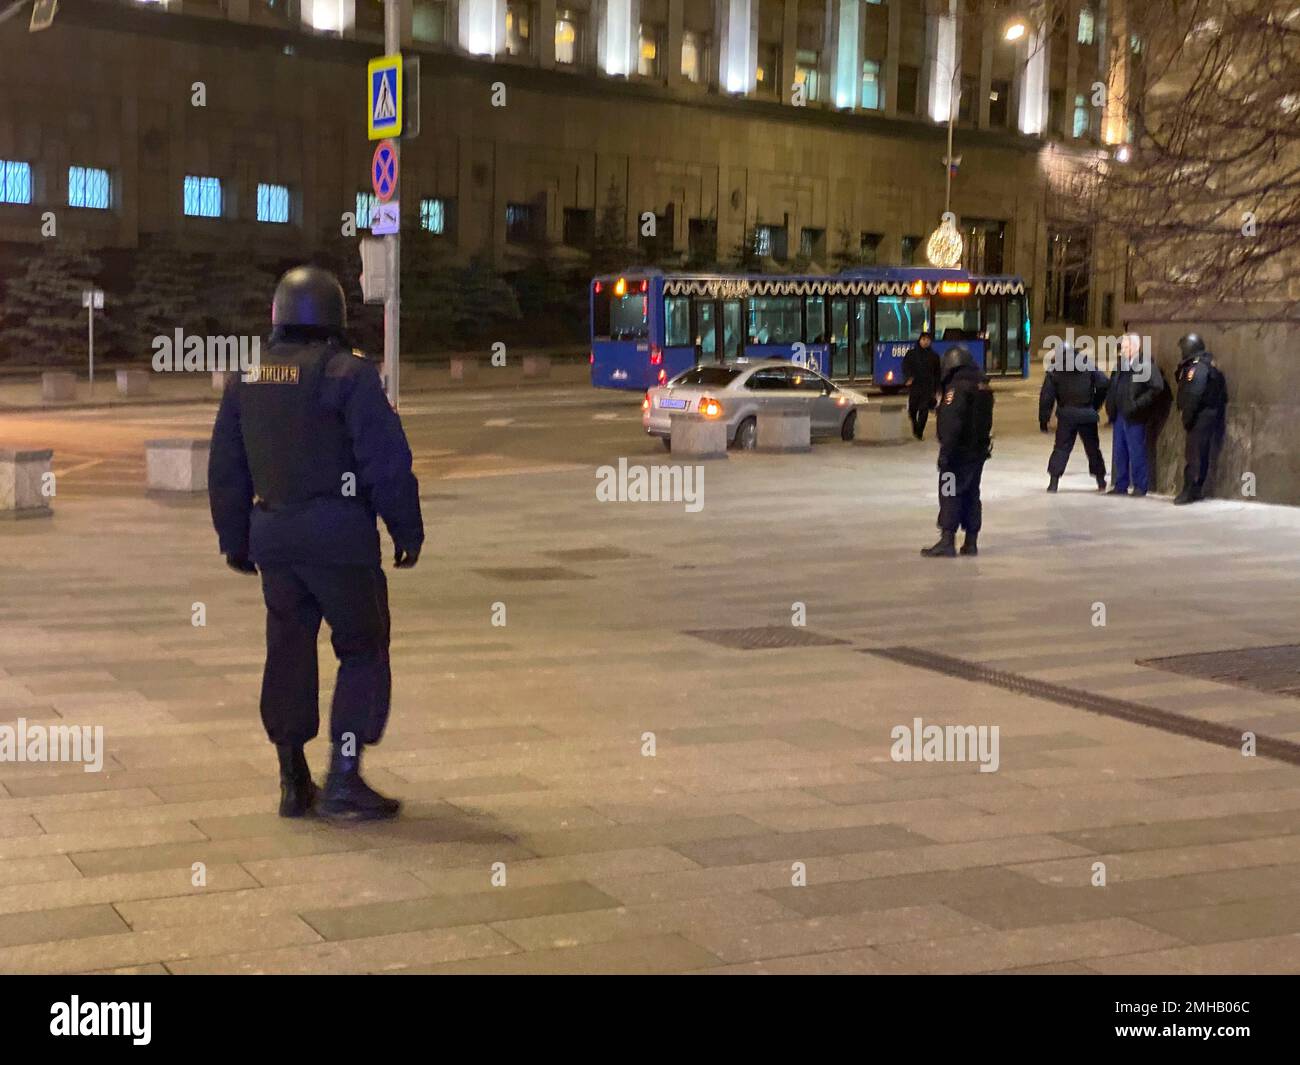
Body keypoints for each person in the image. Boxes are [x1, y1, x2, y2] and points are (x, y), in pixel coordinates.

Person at [208, 265, 424, 822]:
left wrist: (235, 540)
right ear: (335, 316)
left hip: (274, 538)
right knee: (362, 647)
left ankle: (292, 780)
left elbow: (227, 467)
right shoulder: (348, 374)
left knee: (287, 651)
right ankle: (344, 777)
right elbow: (386, 463)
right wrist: (406, 529)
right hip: (339, 540)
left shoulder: (247, 377)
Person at [921, 346, 994, 558]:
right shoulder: (982, 387)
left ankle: (947, 540)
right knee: (972, 494)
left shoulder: (956, 389)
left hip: (957, 454)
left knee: (949, 493)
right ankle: (971, 541)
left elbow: (952, 423)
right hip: (977, 452)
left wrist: (946, 453)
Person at [1039, 345, 1109, 492]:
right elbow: (1103, 383)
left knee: (1061, 448)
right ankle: (1100, 480)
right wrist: (1095, 405)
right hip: (1086, 414)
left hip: (1066, 415)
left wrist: (1044, 419)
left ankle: (1053, 482)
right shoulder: (1088, 364)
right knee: (1092, 448)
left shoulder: (1055, 369)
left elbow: (1046, 397)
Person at [1104, 334, 1165, 497]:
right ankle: (1121, 484)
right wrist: (1110, 405)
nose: (1123, 350)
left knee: (1136, 451)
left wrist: (1138, 404)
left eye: (1126, 347)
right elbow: (1113, 386)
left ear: (1136, 347)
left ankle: (1140, 485)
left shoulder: (1145, 365)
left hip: (1135, 416)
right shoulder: (1121, 365)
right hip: (1119, 414)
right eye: (1122, 347)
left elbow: (1157, 387)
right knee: (1120, 451)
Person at [1173, 332, 1227, 505]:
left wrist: (1187, 416)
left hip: (1200, 417)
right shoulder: (1204, 365)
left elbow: (1194, 395)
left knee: (1194, 456)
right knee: (1200, 454)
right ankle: (1195, 489)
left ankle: (1190, 490)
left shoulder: (1197, 368)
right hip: (1206, 416)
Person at [901, 331, 941, 440]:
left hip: (928, 387)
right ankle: (915, 425)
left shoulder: (934, 356)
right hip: (915, 386)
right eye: (923, 339)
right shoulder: (911, 354)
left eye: (928, 340)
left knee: (924, 409)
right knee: (912, 410)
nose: (925, 342)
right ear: (919, 340)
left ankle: (919, 432)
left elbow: (937, 373)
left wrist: (937, 388)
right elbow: (905, 367)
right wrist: (908, 377)